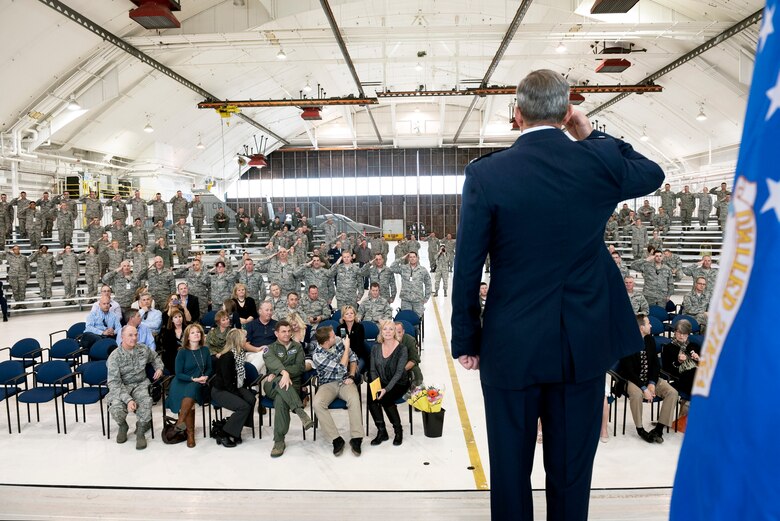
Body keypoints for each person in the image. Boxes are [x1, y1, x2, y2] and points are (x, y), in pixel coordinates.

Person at [451, 70, 664, 521]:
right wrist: (591, 134)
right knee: (570, 473)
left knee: (509, 471)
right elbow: (652, 173)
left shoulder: (487, 174)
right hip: (580, 347)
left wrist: (467, 339)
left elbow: (467, 267)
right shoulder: (597, 162)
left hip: (513, 345)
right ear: (567, 112)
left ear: (517, 113)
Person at [618, 315, 679, 443]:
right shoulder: (627, 342)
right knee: (636, 394)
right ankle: (640, 429)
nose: (651, 326)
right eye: (648, 323)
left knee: (673, 393)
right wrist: (644, 388)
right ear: (641, 328)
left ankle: (659, 429)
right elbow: (628, 371)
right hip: (634, 379)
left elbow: (656, 365)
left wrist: (651, 383)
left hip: (650, 378)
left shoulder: (650, 340)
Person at [262, 320, 314, 458]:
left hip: (293, 385)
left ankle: (279, 441)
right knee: (279, 382)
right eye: (283, 331)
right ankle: (299, 410)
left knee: (281, 400)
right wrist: (284, 373)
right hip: (271, 384)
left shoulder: (297, 347)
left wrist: (279, 371)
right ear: (276, 333)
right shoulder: (270, 348)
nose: (287, 334)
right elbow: (270, 361)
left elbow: (300, 368)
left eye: (289, 331)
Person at [107, 325, 164, 450]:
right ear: (122, 337)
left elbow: (155, 357)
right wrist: (128, 400)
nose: (134, 338)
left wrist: (159, 368)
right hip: (122, 387)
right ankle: (123, 426)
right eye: (130, 335)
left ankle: (141, 430)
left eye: (136, 335)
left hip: (140, 383)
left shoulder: (143, 349)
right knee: (116, 407)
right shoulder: (114, 357)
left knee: (146, 402)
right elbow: (114, 383)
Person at [311, 325, 363, 456]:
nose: (337, 336)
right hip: (327, 384)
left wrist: (351, 375)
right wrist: (346, 349)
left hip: (345, 382)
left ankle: (356, 438)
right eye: (333, 335)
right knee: (317, 403)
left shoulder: (339, 341)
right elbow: (340, 368)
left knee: (354, 399)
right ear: (327, 341)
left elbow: (353, 358)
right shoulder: (317, 355)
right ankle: (336, 439)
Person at [166, 323, 212, 448]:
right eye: (193, 332)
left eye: (198, 332)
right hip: (182, 382)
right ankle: (189, 433)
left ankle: (180, 425)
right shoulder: (182, 352)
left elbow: (209, 368)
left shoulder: (205, 350)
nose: (196, 334)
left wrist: (205, 377)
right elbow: (178, 373)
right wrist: (193, 378)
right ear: (187, 337)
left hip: (199, 382)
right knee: (191, 392)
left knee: (192, 390)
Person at [211, 328, 256, 447]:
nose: (246, 339)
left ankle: (235, 428)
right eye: (244, 338)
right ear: (238, 340)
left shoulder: (240, 354)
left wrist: (241, 392)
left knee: (251, 399)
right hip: (220, 390)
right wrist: (239, 395)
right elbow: (227, 382)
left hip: (234, 386)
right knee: (244, 406)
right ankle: (224, 433)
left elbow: (238, 378)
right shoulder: (227, 357)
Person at [367, 320, 409, 447]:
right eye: (385, 329)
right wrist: (377, 386)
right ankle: (382, 432)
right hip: (380, 381)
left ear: (395, 332)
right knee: (372, 399)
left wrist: (386, 389)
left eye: (391, 329)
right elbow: (373, 369)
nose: (388, 332)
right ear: (381, 331)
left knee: (386, 399)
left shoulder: (402, 349)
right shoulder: (375, 347)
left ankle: (398, 431)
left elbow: (398, 373)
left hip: (398, 383)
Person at [660, 319, 700, 422]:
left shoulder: (694, 346)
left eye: (684, 334)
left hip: (694, 377)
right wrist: (678, 362)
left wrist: (699, 359)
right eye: (679, 333)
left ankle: (688, 413)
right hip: (680, 377)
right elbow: (667, 369)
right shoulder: (668, 348)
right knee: (696, 375)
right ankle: (692, 415)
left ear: (688, 334)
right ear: (675, 332)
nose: (681, 336)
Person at [388, 251, 431, 317]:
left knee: (417, 320)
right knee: (406, 319)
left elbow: (428, 284)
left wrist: (426, 298)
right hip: (406, 300)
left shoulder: (422, 270)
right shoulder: (403, 268)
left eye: (414, 257)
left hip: (418, 300)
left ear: (417, 258)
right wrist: (402, 258)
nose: (412, 258)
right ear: (408, 259)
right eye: (410, 257)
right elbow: (392, 268)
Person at [244, 301, 277, 373]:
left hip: (272, 354)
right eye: (267, 310)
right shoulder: (251, 325)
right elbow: (245, 344)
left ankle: (250, 377)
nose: (269, 312)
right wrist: (257, 349)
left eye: (271, 310)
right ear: (260, 311)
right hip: (253, 353)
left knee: (265, 358)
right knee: (263, 357)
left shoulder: (277, 325)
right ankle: (252, 376)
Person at [337, 305, 367, 370]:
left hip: (359, 355)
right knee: (342, 370)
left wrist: (351, 359)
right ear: (343, 317)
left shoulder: (360, 327)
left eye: (351, 313)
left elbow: (359, 346)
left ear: (354, 315)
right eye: (347, 314)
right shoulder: (340, 328)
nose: (350, 315)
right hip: (344, 355)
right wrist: (345, 357)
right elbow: (340, 345)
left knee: (354, 371)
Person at [159, 308, 186, 374]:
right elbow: (166, 347)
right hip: (172, 355)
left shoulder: (188, 329)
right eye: (175, 317)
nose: (178, 319)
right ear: (172, 320)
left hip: (187, 353)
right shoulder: (167, 331)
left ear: (183, 318)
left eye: (180, 316)